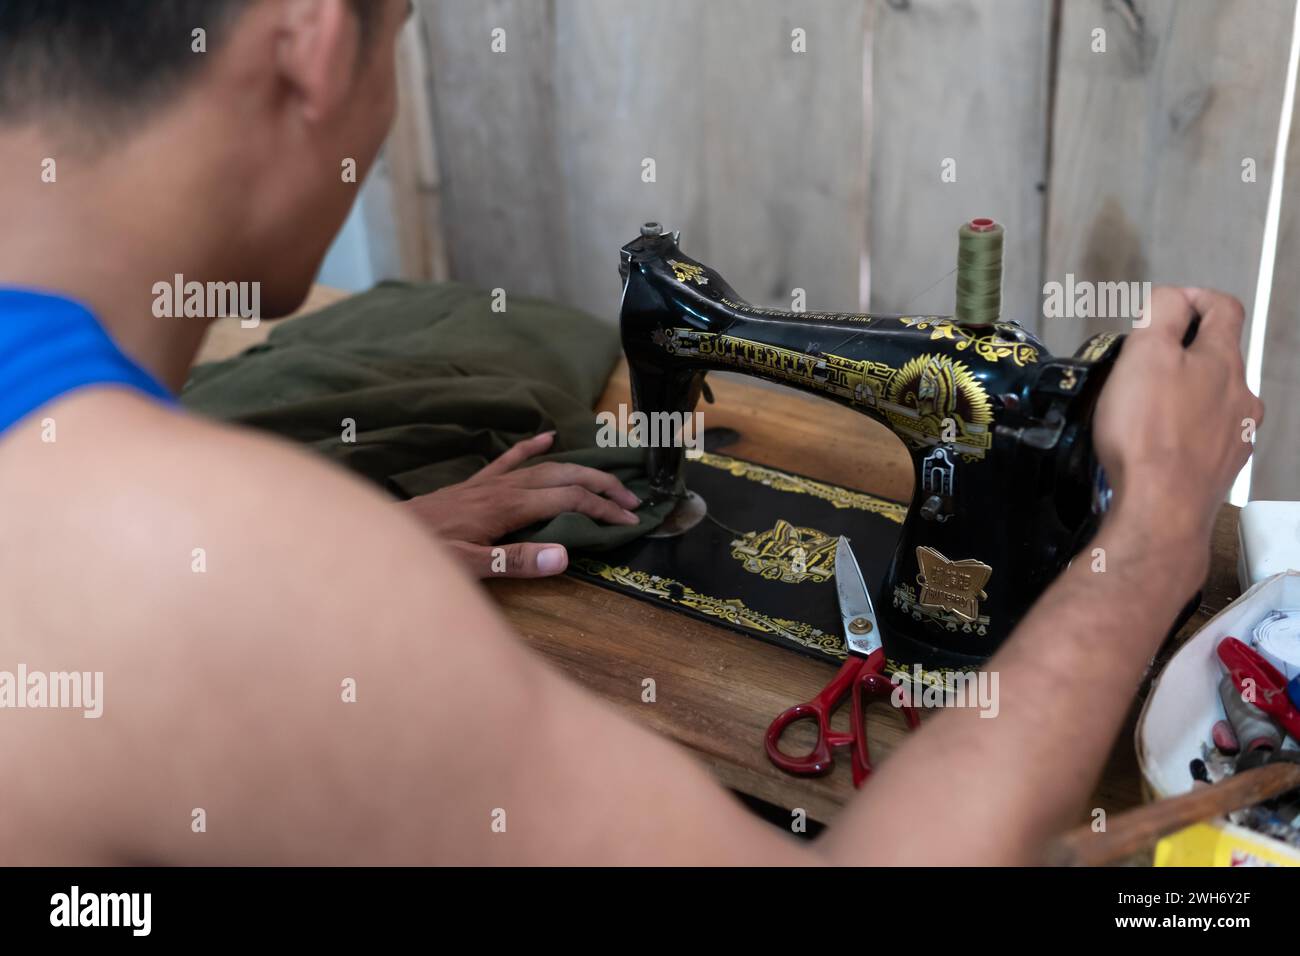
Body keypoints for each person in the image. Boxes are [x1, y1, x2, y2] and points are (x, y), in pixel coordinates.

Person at [0, 0, 1263, 865]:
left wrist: (355, 554)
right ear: (318, 40)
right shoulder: (193, 571)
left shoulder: (150, 543)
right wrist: (1154, 527)